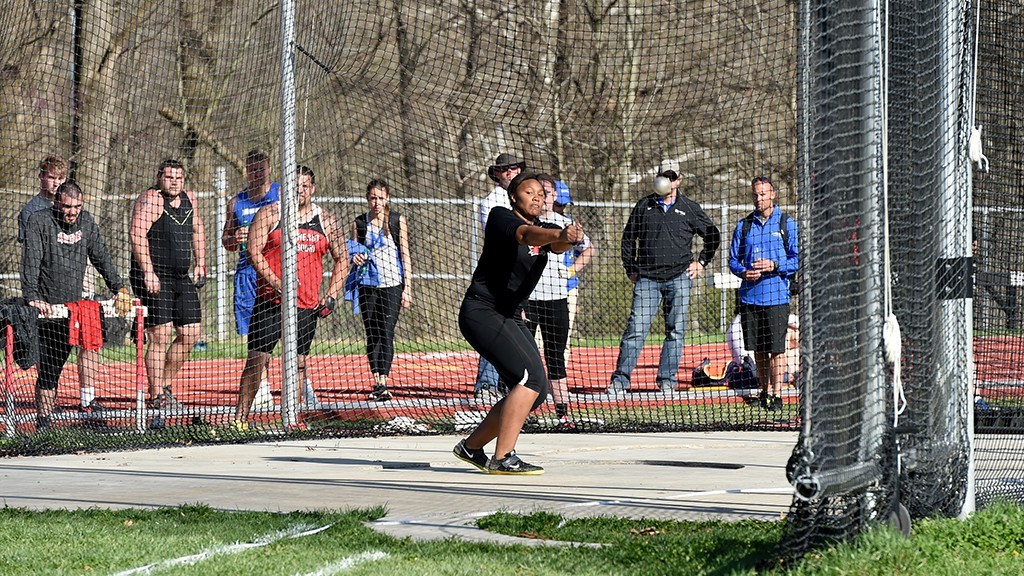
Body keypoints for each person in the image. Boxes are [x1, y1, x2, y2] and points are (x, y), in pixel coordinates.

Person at [453, 171, 584, 475]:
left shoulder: (548, 228)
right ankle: (503, 457)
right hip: (482, 311)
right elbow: (526, 236)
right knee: (531, 380)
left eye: (541, 194)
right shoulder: (501, 216)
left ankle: (471, 447)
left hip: (509, 314)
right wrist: (560, 235)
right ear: (514, 196)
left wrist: (568, 237)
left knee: (533, 391)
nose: (537, 197)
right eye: (529, 192)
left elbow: (559, 245)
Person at [233, 165, 346, 428]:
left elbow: (343, 259)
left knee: (298, 364)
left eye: (305, 185)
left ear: (313, 189)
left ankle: (292, 417)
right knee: (257, 361)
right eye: (295, 185)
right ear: (284, 187)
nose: (300, 190)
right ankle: (239, 419)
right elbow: (253, 250)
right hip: (270, 302)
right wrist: (275, 281)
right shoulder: (271, 213)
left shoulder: (326, 220)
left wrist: (331, 295)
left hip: (305, 304)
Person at [21, 182, 132, 430]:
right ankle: (44, 422)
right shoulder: (39, 221)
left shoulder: (87, 222)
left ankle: (87, 405)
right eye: (68, 207)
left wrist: (119, 288)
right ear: (58, 203)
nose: (73, 212)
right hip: (48, 308)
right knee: (50, 369)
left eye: (78, 206)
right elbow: (30, 262)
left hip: (76, 309)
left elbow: (101, 256)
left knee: (83, 353)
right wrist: (32, 297)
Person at [608, 169, 721, 393]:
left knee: (675, 331)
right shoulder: (644, 206)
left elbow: (712, 235)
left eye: (671, 176)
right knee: (636, 330)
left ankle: (667, 381)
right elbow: (628, 238)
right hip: (647, 279)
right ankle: (619, 381)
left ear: (678, 180)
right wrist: (630, 267)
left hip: (679, 278)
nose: (666, 180)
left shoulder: (689, 208)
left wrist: (701, 262)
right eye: (663, 175)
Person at [17, 155, 104, 413]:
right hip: (48, 286)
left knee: (88, 337)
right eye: (51, 177)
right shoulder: (33, 213)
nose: (56, 182)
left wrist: (117, 286)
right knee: (50, 353)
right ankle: (46, 408)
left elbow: (98, 251)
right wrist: (32, 292)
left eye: (60, 178)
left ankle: (88, 400)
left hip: (79, 279)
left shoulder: (80, 213)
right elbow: (32, 257)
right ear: (42, 177)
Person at [129, 159, 207, 409]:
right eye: (169, 177)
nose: (174, 181)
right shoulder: (151, 200)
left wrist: (201, 262)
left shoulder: (190, 199)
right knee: (160, 336)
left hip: (181, 277)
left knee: (191, 333)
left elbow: (198, 230)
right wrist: (148, 273)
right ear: (159, 177)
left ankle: (164, 384)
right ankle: (157, 396)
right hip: (155, 276)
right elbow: (136, 234)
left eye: (179, 177)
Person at [524, 174, 593, 427]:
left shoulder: (565, 223)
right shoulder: (526, 224)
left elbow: (587, 248)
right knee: (523, 358)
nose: (543, 198)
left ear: (555, 196)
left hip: (556, 298)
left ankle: (562, 412)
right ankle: (520, 411)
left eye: (548, 193)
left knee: (556, 357)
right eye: (538, 193)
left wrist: (572, 269)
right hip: (527, 300)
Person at [728, 176, 799, 411]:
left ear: (773, 194)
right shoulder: (743, 225)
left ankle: (777, 395)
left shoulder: (787, 224)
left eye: (763, 194)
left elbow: (797, 259)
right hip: (750, 297)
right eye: (755, 194)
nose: (759, 198)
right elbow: (732, 260)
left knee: (777, 349)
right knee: (758, 349)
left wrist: (774, 265)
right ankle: (764, 391)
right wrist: (743, 272)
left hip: (777, 297)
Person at [221, 149, 280, 409]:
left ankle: (301, 384)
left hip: (278, 271)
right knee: (255, 335)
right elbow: (226, 241)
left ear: (269, 168)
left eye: (261, 168)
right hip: (248, 274)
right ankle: (262, 387)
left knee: (291, 330)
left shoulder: (282, 193)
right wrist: (234, 239)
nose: (257, 173)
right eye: (252, 169)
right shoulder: (237, 203)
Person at [350, 179, 412, 402]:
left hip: (392, 284)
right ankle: (376, 379)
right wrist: (354, 257)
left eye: (380, 198)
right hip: (368, 285)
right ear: (368, 199)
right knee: (372, 332)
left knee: (386, 331)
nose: (376, 202)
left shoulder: (396, 221)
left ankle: (384, 380)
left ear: (387, 198)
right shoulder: (359, 223)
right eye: (373, 198)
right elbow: (352, 251)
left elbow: (405, 255)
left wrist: (408, 288)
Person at [473, 152, 525, 402]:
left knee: (517, 329)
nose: (510, 173)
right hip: (499, 273)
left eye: (514, 168)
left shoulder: (526, 199)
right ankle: (486, 384)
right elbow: (500, 238)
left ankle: (511, 383)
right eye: (504, 169)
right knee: (494, 327)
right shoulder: (492, 202)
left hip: (525, 273)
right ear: (496, 174)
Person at [551, 180, 595, 366]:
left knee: (562, 339)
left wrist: (571, 270)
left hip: (566, 288)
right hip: (537, 289)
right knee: (533, 340)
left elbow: (588, 249)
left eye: (563, 204)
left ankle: (559, 383)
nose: (560, 208)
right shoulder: (535, 223)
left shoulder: (570, 224)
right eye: (558, 203)